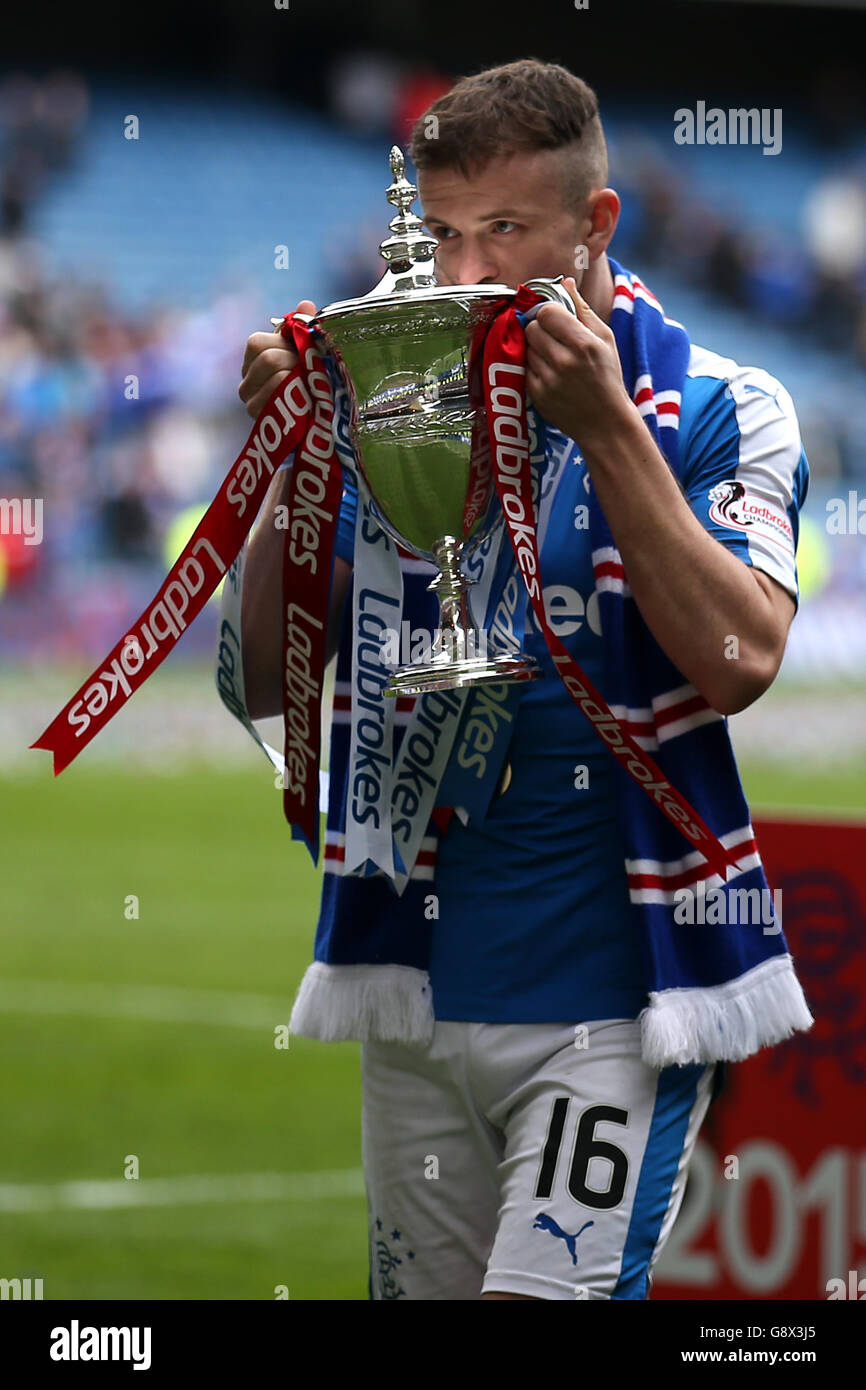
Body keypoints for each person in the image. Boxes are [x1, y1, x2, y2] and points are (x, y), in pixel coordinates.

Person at [229, 59, 812, 1301]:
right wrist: (291, 464)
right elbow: (271, 679)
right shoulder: (400, 399)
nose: (464, 271)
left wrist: (605, 428)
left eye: (505, 232)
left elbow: (739, 658)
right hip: (413, 988)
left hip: (616, 1003)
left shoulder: (722, 403)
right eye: (442, 233)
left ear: (595, 227)